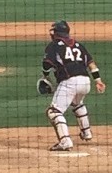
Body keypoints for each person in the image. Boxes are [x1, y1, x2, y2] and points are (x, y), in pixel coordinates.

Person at [39, 21, 106, 151]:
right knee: (77, 104)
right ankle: (86, 133)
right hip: (85, 82)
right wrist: (98, 80)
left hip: (70, 82)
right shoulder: (79, 45)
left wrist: (45, 75)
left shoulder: (54, 46)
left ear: (56, 33)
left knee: (53, 112)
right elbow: (92, 65)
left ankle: (65, 142)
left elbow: (46, 64)